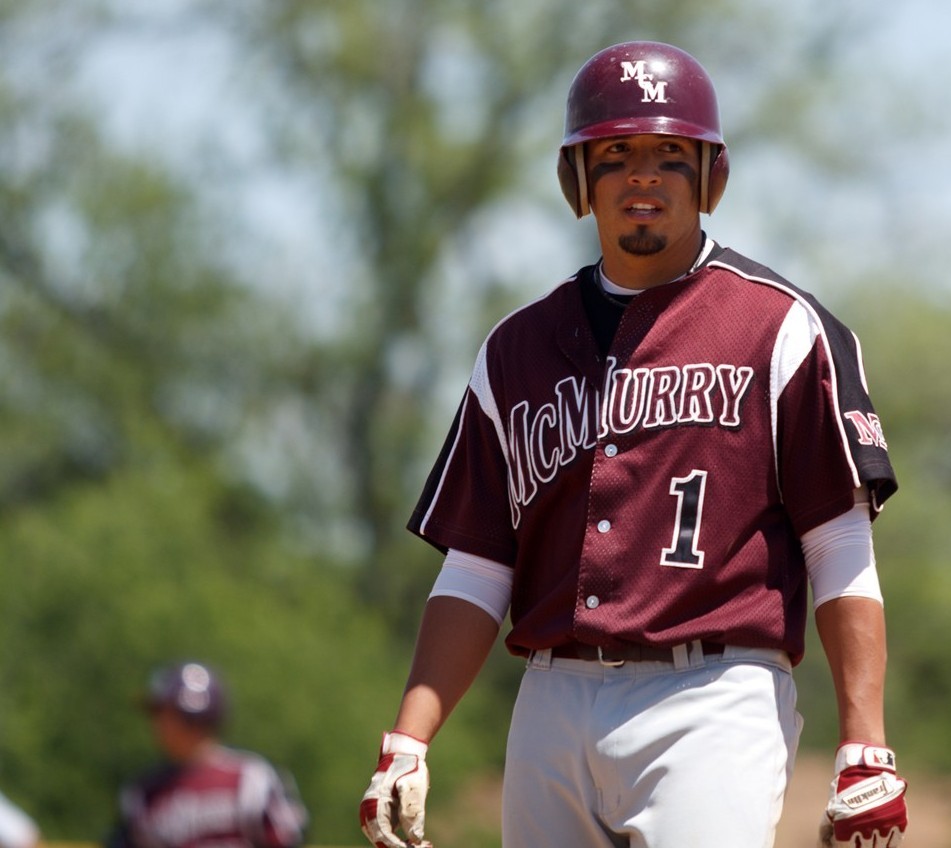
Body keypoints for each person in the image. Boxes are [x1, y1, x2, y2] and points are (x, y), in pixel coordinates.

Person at [359, 40, 908, 848]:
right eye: (616, 153)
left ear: (711, 177)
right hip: (550, 698)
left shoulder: (782, 327)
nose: (643, 175)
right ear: (578, 181)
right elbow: (477, 565)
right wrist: (408, 740)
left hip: (713, 696)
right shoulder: (517, 348)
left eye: (669, 155)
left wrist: (865, 741)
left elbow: (838, 540)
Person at [106, 661, 309, 848]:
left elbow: (288, 838)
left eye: (162, 713)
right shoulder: (144, 793)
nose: (156, 724)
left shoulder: (250, 779)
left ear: (190, 716)